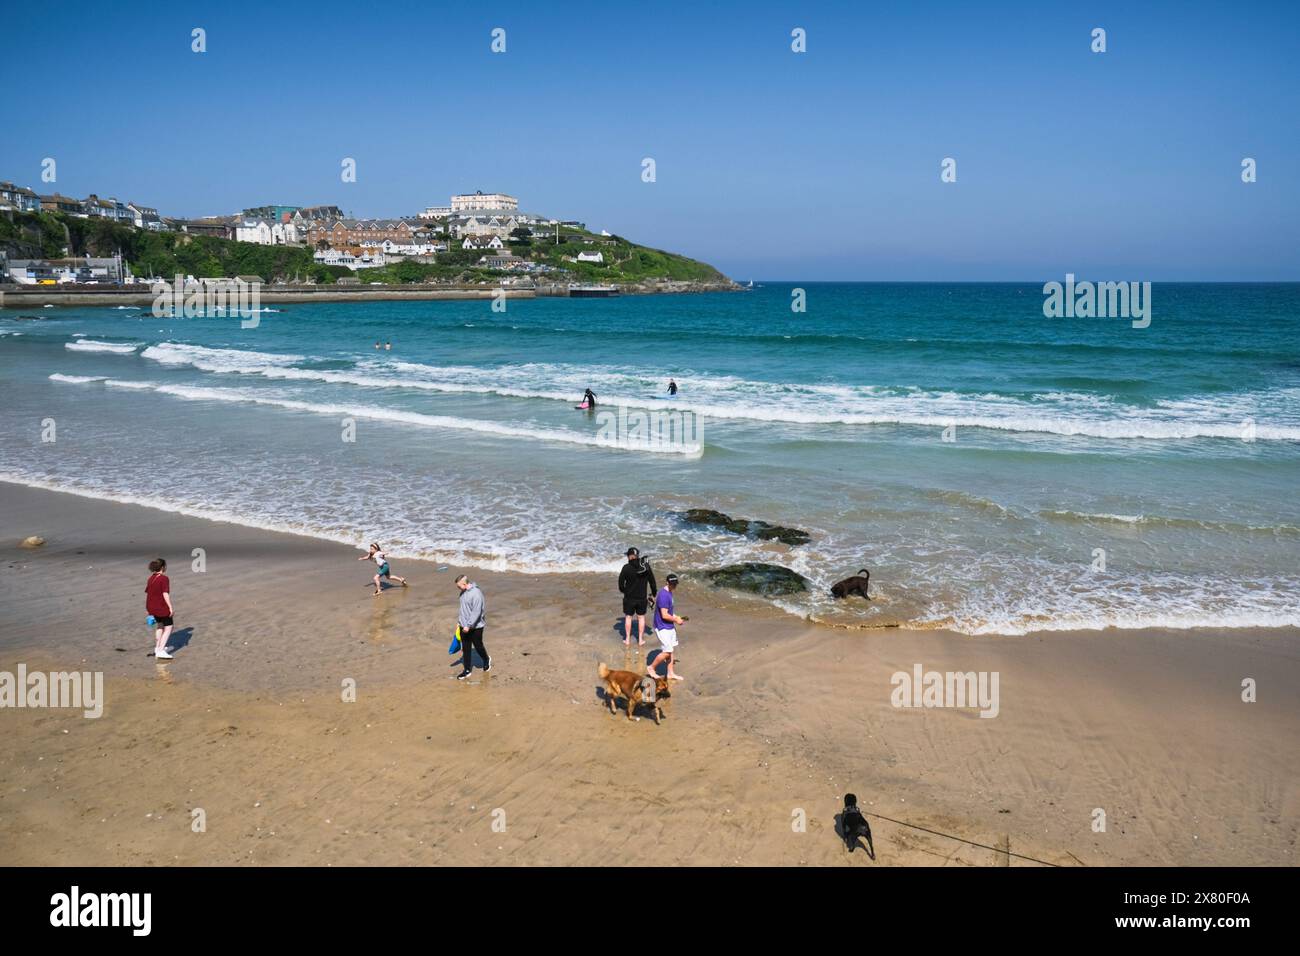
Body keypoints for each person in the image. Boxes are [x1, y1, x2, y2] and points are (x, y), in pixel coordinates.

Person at [648, 573, 686, 681]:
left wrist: (676, 617)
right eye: (672, 584)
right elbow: (664, 615)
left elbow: (669, 612)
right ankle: (651, 667)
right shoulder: (664, 595)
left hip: (668, 625)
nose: (674, 586)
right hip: (662, 626)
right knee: (667, 651)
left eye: (675, 584)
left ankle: (670, 673)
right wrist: (676, 620)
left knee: (671, 650)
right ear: (667, 582)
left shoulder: (669, 592)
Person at [617, 547, 658, 647]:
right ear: (637, 556)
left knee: (628, 617)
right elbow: (652, 582)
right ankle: (640, 640)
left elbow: (620, 584)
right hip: (641, 598)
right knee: (641, 618)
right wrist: (654, 594)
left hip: (629, 598)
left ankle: (627, 639)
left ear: (630, 556)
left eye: (627, 555)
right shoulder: (645, 567)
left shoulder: (626, 567)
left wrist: (625, 591)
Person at [455, 575, 490, 679]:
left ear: (464, 584)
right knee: (465, 648)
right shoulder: (463, 592)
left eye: (459, 586)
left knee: (478, 645)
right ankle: (467, 670)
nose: (458, 588)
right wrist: (459, 622)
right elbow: (463, 609)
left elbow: (477, 612)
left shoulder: (476, 594)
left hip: (476, 626)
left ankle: (486, 659)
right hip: (464, 625)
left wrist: (469, 625)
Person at [145, 558, 175, 660]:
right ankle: (161, 651)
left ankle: (157, 648)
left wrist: (148, 609)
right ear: (163, 567)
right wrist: (170, 607)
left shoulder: (150, 578)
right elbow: (165, 593)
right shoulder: (164, 578)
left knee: (160, 625)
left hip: (151, 607)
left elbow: (149, 594)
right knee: (169, 627)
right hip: (161, 607)